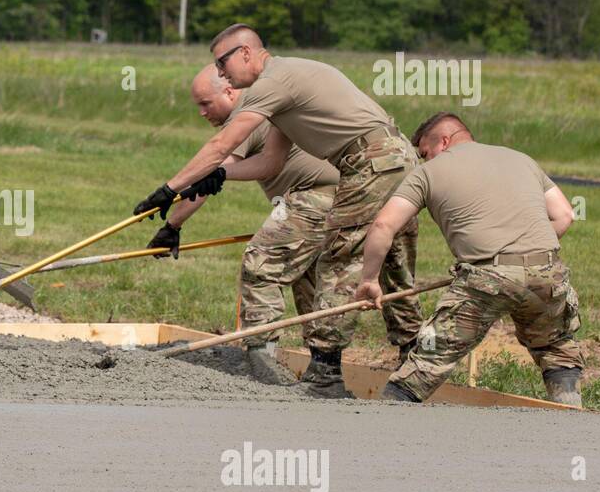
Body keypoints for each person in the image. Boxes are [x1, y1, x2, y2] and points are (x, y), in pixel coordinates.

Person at [133, 23, 422, 398]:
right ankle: (415, 362)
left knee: (337, 262)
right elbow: (270, 162)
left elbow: (222, 144)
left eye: (222, 63)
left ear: (246, 53)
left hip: (371, 162)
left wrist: (168, 190)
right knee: (393, 267)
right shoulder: (288, 84)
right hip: (392, 161)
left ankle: (325, 377)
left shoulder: (273, 81)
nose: (222, 73)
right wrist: (220, 176)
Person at [355, 113, 584, 407]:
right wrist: (521, 255)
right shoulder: (521, 159)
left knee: (428, 359)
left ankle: (383, 422)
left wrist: (369, 280)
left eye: (425, 153)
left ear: (445, 141)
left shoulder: (428, 173)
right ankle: (570, 410)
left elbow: (384, 226)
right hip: (548, 272)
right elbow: (565, 215)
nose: (425, 161)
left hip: (488, 280)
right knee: (556, 348)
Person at [145, 64, 338, 384]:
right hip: (341, 196)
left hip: (313, 196)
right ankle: (325, 370)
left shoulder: (246, 115)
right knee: (308, 279)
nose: (201, 113)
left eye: (205, 103)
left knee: (262, 261)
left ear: (230, 91)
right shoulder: (266, 106)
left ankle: (263, 361)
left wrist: (173, 226)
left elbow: (208, 178)